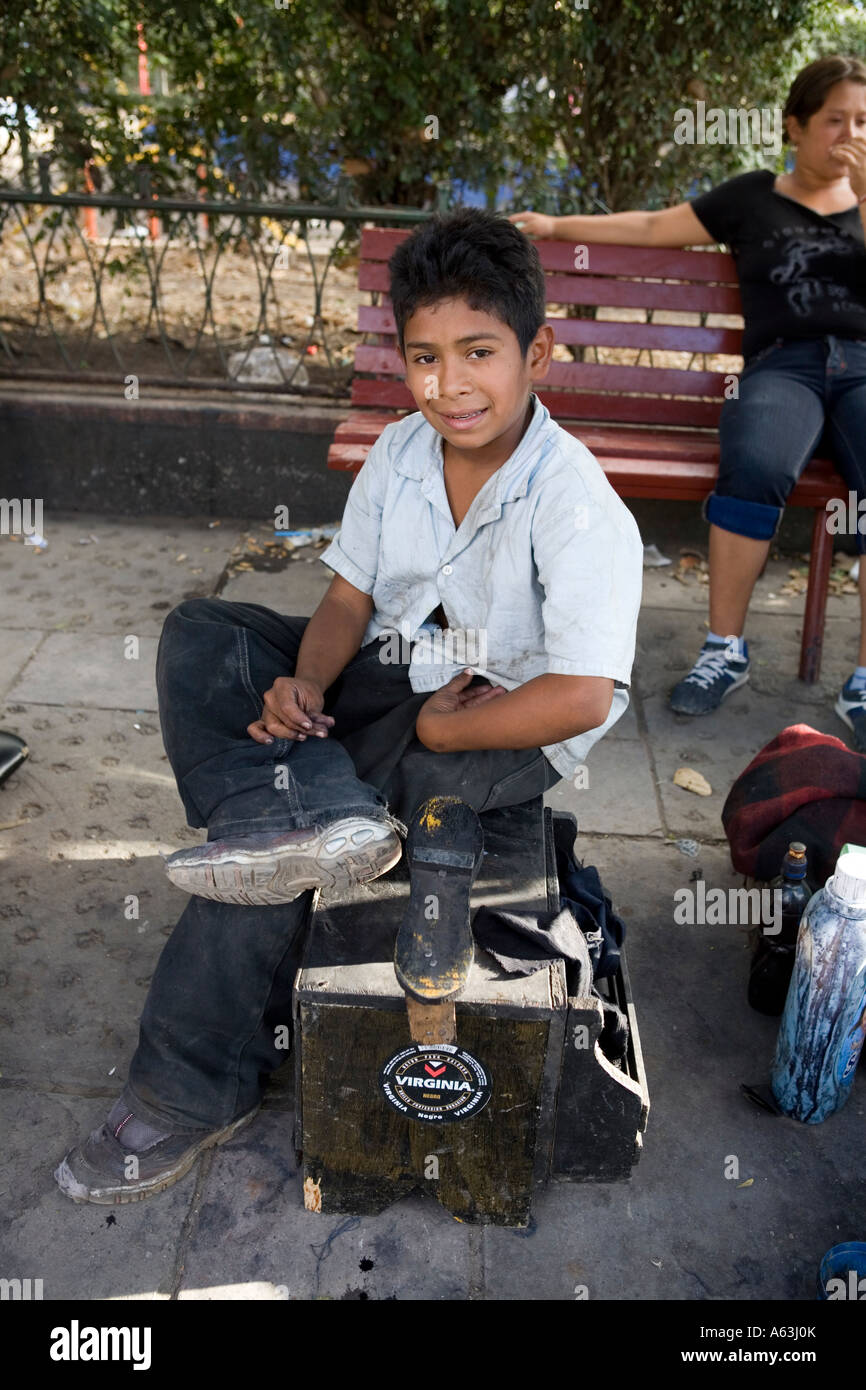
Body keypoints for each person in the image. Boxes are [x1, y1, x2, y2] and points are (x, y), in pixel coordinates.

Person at [55, 207, 643, 1204]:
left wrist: (442, 727)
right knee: (208, 636)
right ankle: (299, 810)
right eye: (422, 356)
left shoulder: (573, 499)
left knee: (264, 868)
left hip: (502, 716)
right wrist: (307, 684)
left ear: (537, 352)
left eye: (476, 353)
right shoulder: (400, 450)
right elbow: (344, 599)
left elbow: (584, 691)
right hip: (395, 669)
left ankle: (189, 1086)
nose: (445, 384)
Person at [510, 54, 866, 742]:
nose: (851, 134)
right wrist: (557, 228)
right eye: (835, 120)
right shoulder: (752, 196)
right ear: (794, 126)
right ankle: (724, 650)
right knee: (754, 465)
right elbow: (651, 228)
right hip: (782, 365)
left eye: (864, 121)